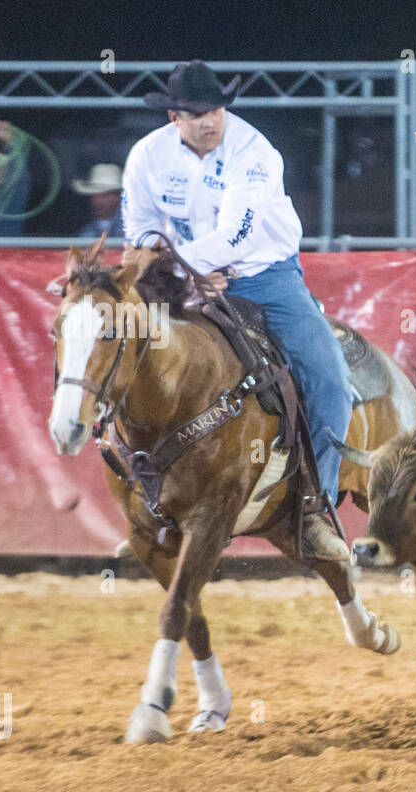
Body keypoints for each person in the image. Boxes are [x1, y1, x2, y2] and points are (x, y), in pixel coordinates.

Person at [120, 60, 353, 561]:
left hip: (266, 278)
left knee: (330, 380)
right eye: (196, 113)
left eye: (216, 110)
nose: (210, 121)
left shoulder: (254, 154)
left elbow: (235, 236)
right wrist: (175, 271)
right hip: (186, 277)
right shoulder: (146, 157)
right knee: (128, 355)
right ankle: (151, 503)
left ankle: (317, 508)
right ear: (173, 118)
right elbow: (139, 228)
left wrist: (183, 269)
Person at [73, 163, 124, 239]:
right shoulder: (87, 230)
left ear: (118, 196)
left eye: (104, 196)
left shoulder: (133, 226)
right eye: (94, 195)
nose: (97, 201)